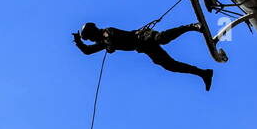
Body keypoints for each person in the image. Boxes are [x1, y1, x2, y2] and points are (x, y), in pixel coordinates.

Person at [73, 22, 214, 90]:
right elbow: (88, 51)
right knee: (170, 65)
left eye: (90, 38)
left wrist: (110, 47)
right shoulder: (102, 42)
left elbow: (110, 40)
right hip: (144, 47)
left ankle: (192, 26)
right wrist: (78, 41)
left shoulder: (106, 32)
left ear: (93, 33)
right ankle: (204, 73)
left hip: (143, 36)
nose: (92, 41)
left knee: (161, 38)